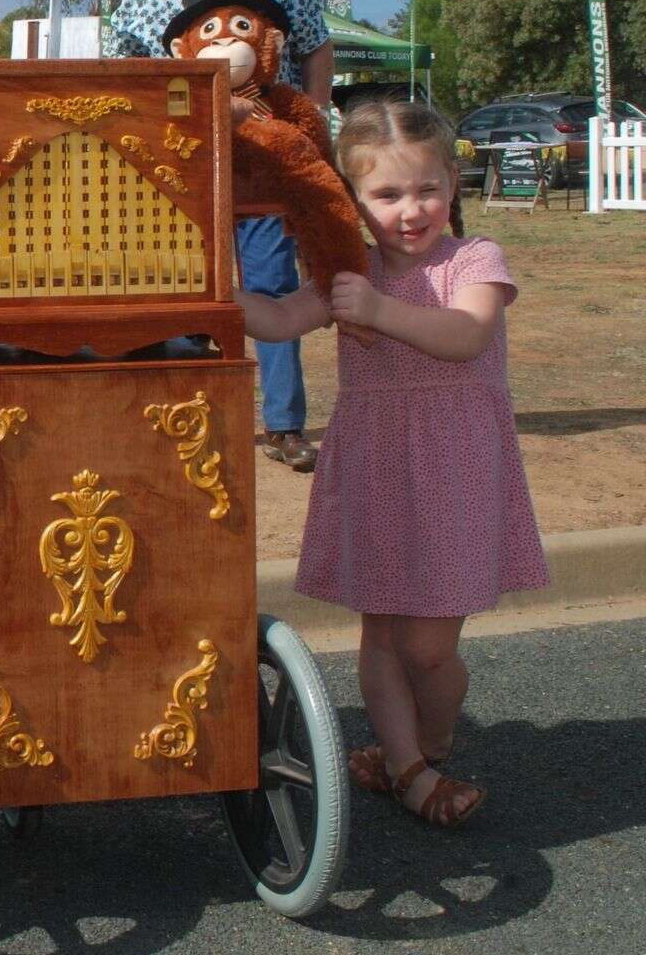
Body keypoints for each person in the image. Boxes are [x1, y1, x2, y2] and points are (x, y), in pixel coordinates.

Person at [234, 100, 548, 828]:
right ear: (351, 199)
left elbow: (466, 334)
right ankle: (409, 770)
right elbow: (278, 320)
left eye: (427, 189)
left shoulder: (474, 259)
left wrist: (375, 310)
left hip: (455, 469)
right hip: (376, 467)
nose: (411, 210)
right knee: (380, 631)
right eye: (386, 194)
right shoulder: (350, 271)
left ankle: (429, 743)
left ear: (453, 185)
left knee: (430, 649)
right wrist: (208, 289)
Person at [104, 0, 334, 472]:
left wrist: (313, 118)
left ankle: (283, 425)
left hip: (263, 151)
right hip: (180, 160)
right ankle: (173, 411)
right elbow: (118, 64)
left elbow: (315, 44)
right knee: (177, 280)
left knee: (270, 280)